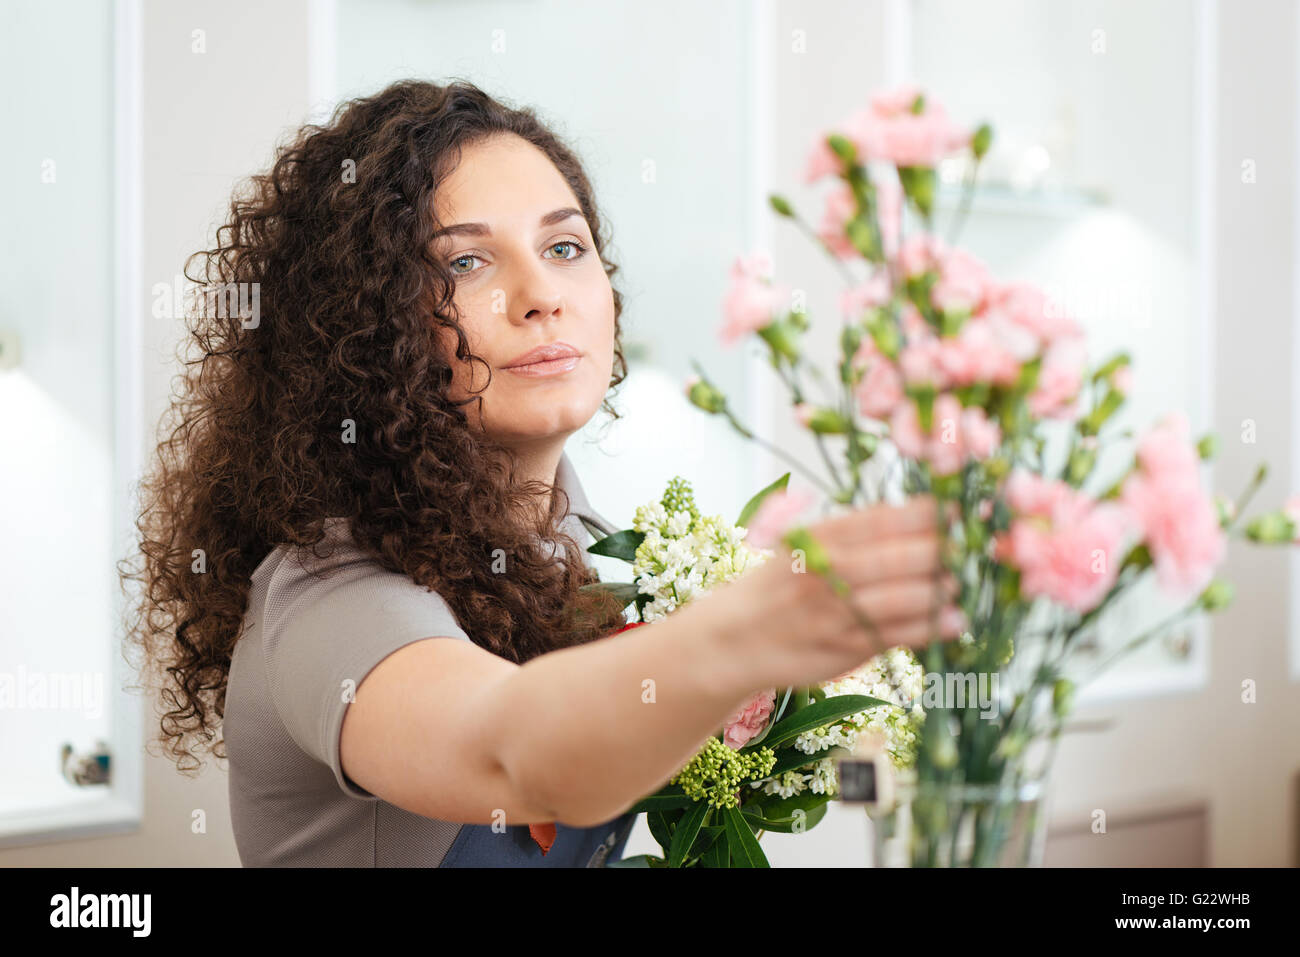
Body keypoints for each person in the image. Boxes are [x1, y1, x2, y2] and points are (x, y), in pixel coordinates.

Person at [121, 79, 954, 867]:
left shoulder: (583, 549)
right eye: (464, 264)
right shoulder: (330, 598)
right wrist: (744, 634)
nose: (541, 294)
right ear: (362, 326)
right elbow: (513, 751)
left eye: (564, 246)